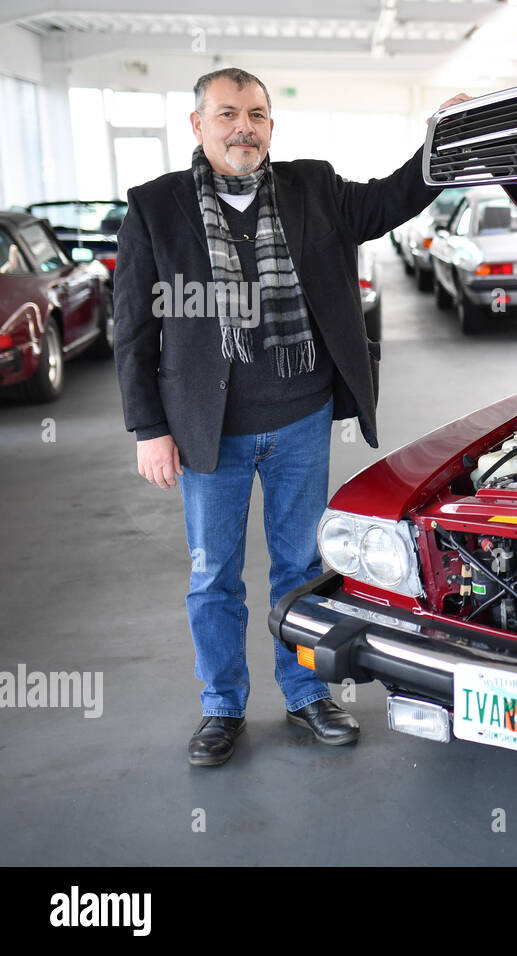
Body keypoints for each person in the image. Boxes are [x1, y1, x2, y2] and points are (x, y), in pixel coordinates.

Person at [114, 67, 468, 766]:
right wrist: (148, 428)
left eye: (256, 114)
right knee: (213, 575)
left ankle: (306, 694)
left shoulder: (315, 189)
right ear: (198, 125)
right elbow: (133, 330)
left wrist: (444, 137)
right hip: (204, 432)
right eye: (226, 114)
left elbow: (397, 197)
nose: (242, 127)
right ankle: (222, 707)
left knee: (300, 569)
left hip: (301, 421)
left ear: (271, 126)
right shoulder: (155, 208)